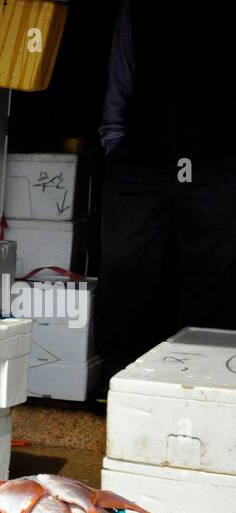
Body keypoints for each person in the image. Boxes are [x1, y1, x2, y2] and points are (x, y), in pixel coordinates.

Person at [97, 0, 236, 378]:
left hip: (214, 161)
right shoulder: (141, 6)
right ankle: (122, 378)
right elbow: (121, 68)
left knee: (212, 272)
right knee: (126, 265)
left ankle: (205, 378)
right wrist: (116, 143)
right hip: (141, 160)